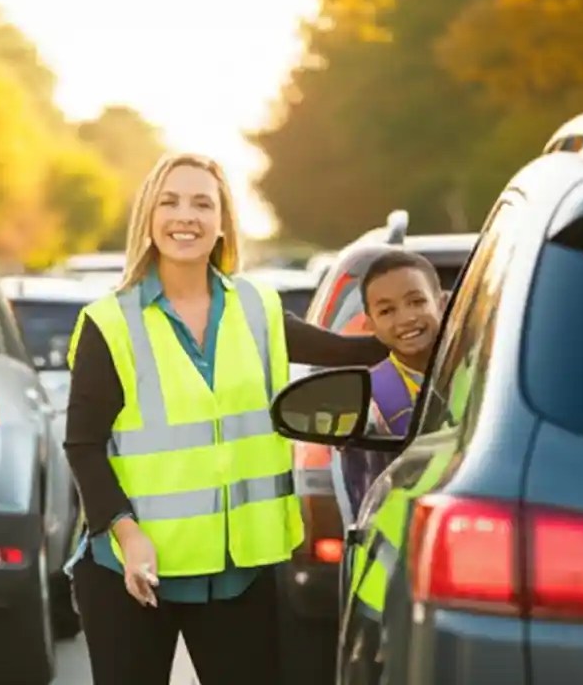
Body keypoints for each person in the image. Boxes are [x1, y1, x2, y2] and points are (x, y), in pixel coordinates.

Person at [63, 152, 386, 685]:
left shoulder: (257, 307)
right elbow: (83, 446)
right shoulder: (109, 322)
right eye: (169, 202)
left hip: (238, 573)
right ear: (148, 216)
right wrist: (127, 535)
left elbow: (346, 352)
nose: (184, 216)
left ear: (221, 223)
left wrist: (418, 337)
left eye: (201, 204)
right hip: (132, 571)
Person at [337, 250, 446, 523]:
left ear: (442, 304)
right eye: (387, 311)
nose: (406, 318)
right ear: (370, 324)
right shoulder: (369, 396)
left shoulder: (482, 372)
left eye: (417, 302)